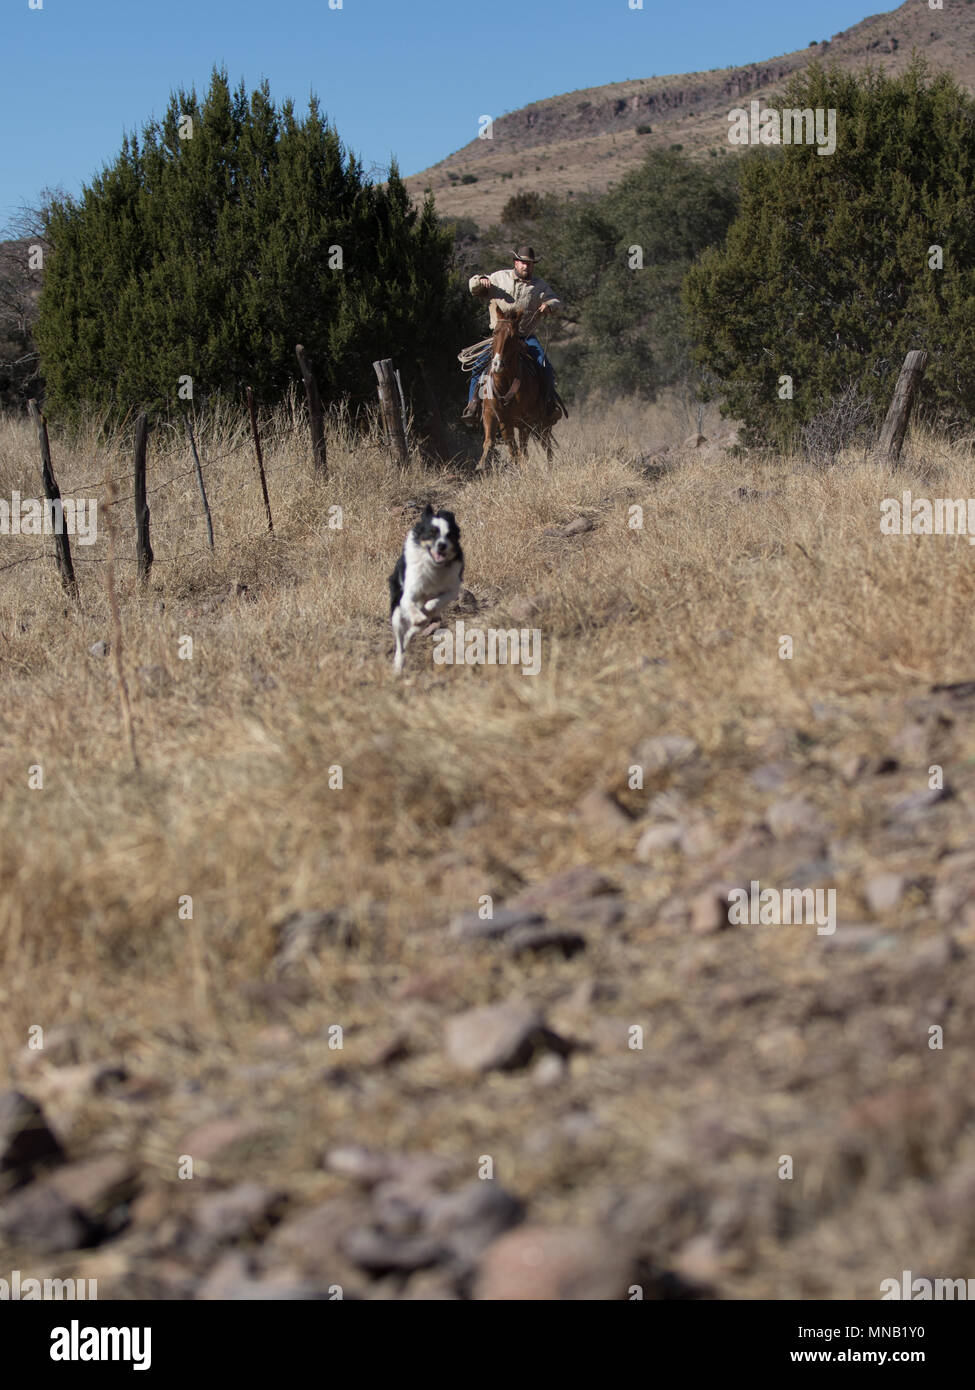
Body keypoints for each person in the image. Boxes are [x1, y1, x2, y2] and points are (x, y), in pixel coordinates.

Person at [462, 245, 563, 424]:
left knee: (545, 366)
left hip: (525, 336)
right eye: (523, 263)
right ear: (515, 262)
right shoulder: (499, 278)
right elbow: (473, 287)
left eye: (530, 264)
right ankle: (473, 405)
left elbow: (556, 301)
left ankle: (549, 406)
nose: (526, 267)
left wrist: (549, 305)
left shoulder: (539, 285)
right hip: (499, 337)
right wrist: (481, 280)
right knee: (478, 366)